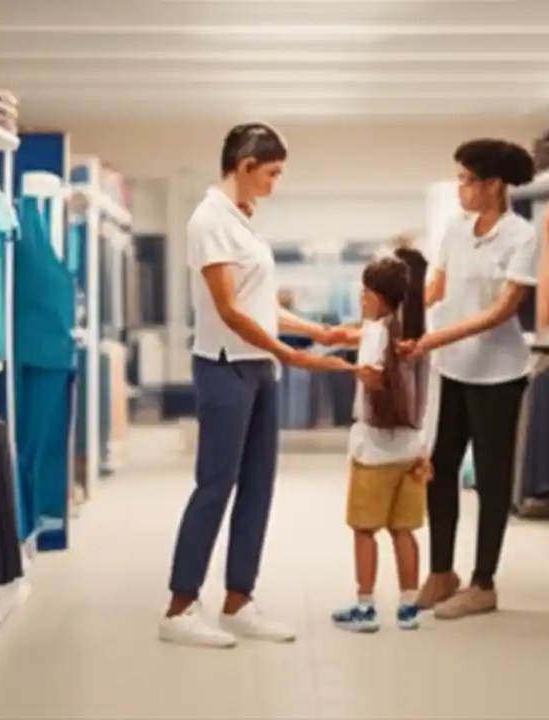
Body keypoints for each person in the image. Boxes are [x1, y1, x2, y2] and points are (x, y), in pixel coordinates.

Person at [160, 122, 356, 648]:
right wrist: (290, 354)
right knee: (215, 486)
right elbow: (227, 309)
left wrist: (319, 331)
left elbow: (259, 304)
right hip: (225, 367)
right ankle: (179, 608)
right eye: (271, 172)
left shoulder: (244, 222)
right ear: (245, 165)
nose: (275, 182)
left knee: (259, 486)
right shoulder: (209, 221)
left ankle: (238, 600)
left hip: (258, 366)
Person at [399, 138, 538, 620]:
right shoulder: (456, 231)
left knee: (493, 479)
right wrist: (405, 320)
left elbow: (502, 311)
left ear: (493, 185)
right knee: (439, 468)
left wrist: (435, 339)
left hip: (498, 374)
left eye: (466, 179)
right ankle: (441, 572)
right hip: (452, 369)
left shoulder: (522, 236)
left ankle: (484, 582)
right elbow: (436, 288)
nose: (460, 187)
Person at [330, 249, 432, 633]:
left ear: (377, 297)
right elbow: (429, 396)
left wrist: (352, 369)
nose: (361, 300)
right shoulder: (419, 336)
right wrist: (427, 449)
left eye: (364, 293)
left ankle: (366, 605)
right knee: (403, 530)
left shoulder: (376, 331)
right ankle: (408, 606)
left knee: (364, 529)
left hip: (372, 449)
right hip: (411, 450)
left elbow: (371, 377)